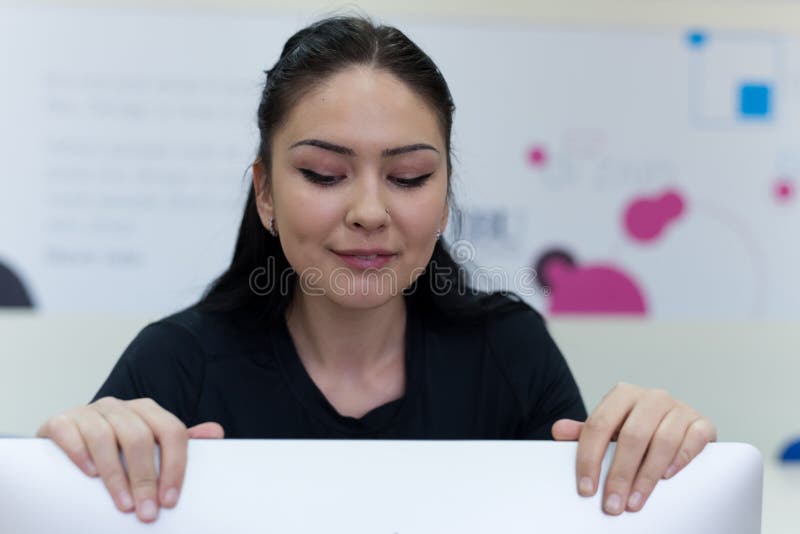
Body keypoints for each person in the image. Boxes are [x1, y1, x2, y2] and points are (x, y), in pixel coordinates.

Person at [36, 14, 716, 525]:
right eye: (324, 173)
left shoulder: (510, 353)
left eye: (409, 177)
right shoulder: (176, 366)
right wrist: (65, 476)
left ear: (444, 194)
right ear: (265, 193)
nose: (369, 211)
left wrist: (657, 458)